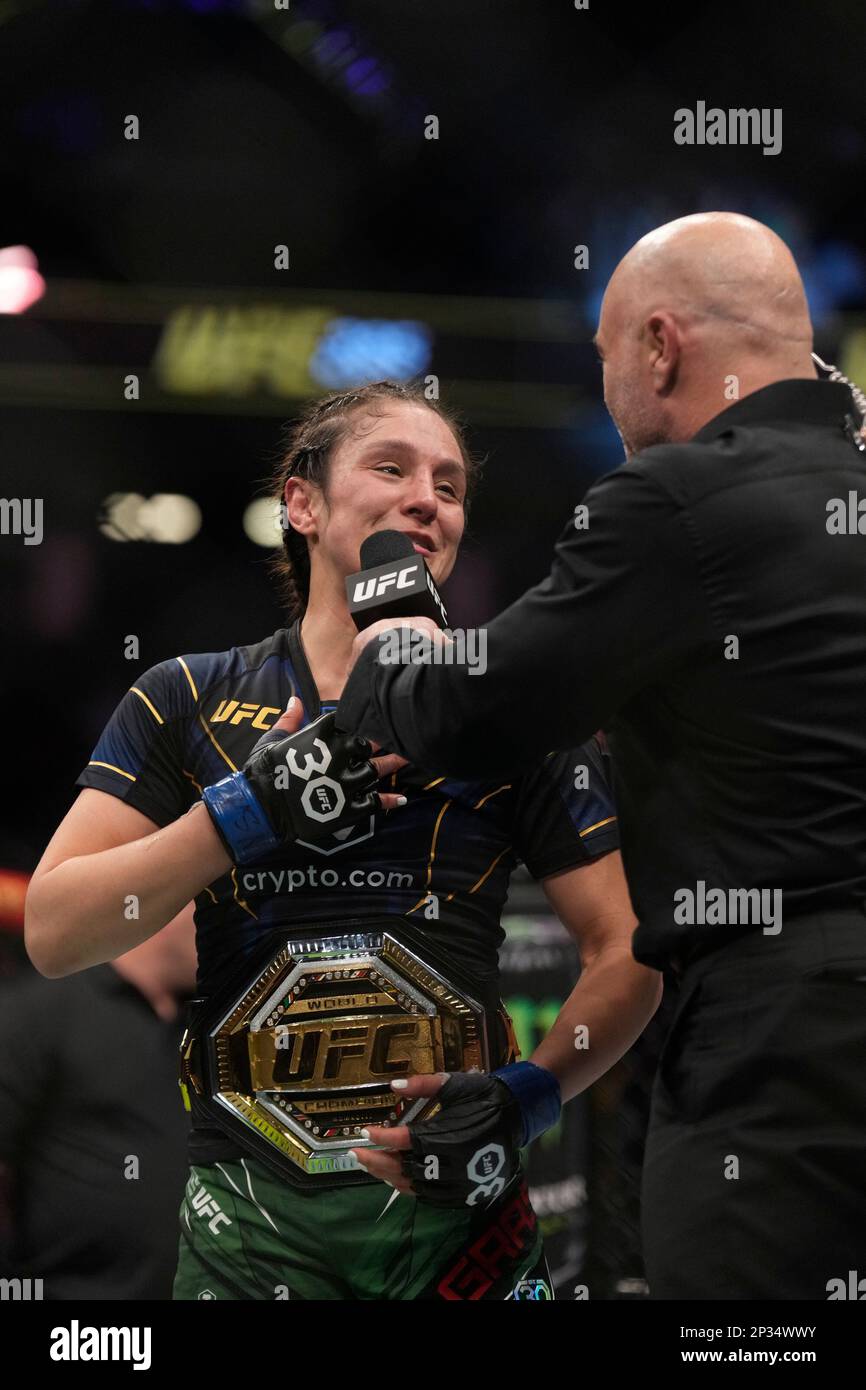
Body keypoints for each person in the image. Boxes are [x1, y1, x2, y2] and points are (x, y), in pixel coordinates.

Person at [24, 381, 661, 1301]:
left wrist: (530, 1096)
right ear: (302, 503)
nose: (426, 498)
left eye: (449, 485)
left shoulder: (515, 713)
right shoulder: (186, 697)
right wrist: (243, 814)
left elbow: (627, 951)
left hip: (457, 1218)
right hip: (251, 1227)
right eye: (391, 468)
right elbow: (54, 931)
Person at [337, 215, 866, 1300]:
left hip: (789, 1046)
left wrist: (393, 616)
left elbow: (461, 713)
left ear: (659, 346)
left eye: (608, 361)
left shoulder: (683, 498)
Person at [0, 904, 196, 1300]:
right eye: (216, 909)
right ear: (170, 906)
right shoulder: (41, 1009)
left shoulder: (205, 1028)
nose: (240, 927)